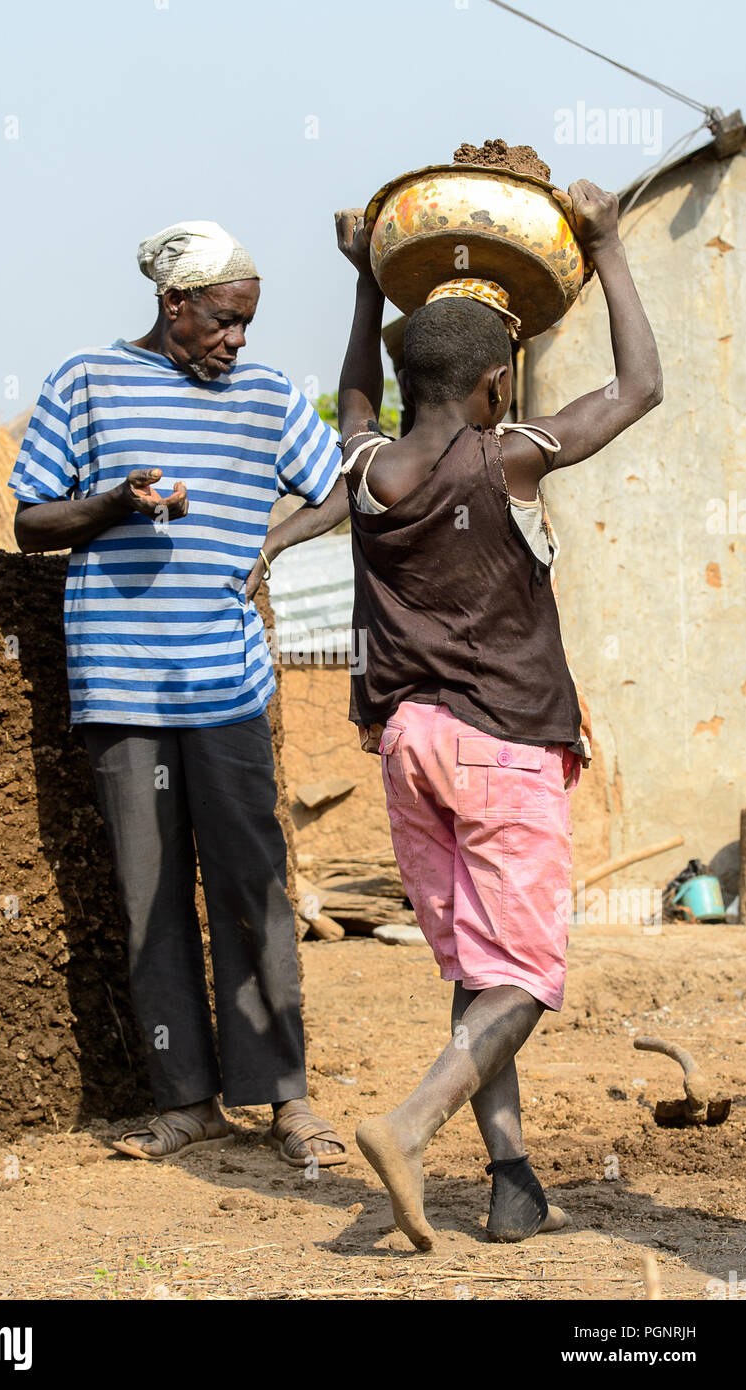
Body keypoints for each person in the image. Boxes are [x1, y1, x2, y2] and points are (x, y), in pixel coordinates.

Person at [334, 182, 662, 1247]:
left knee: (480, 968)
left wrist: (357, 285)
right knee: (521, 974)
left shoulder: (370, 470)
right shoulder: (510, 453)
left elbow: (352, 400)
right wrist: (609, 245)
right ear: (494, 385)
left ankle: (510, 1176)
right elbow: (640, 385)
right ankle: (410, 1122)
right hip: (502, 745)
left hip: (410, 746)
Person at [10, 219, 348, 1167]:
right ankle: (186, 1100)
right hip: (118, 685)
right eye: (223, 323)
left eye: (247, 324)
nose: (237, 341)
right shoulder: (85, 380)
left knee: (255, 887)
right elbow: (32, 519)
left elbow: (342, 488)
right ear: (173, 305)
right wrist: (117, 502)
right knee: (150, 900)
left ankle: (283, 1099)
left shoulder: (269, 395)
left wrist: (272, 545)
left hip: (226, 682)